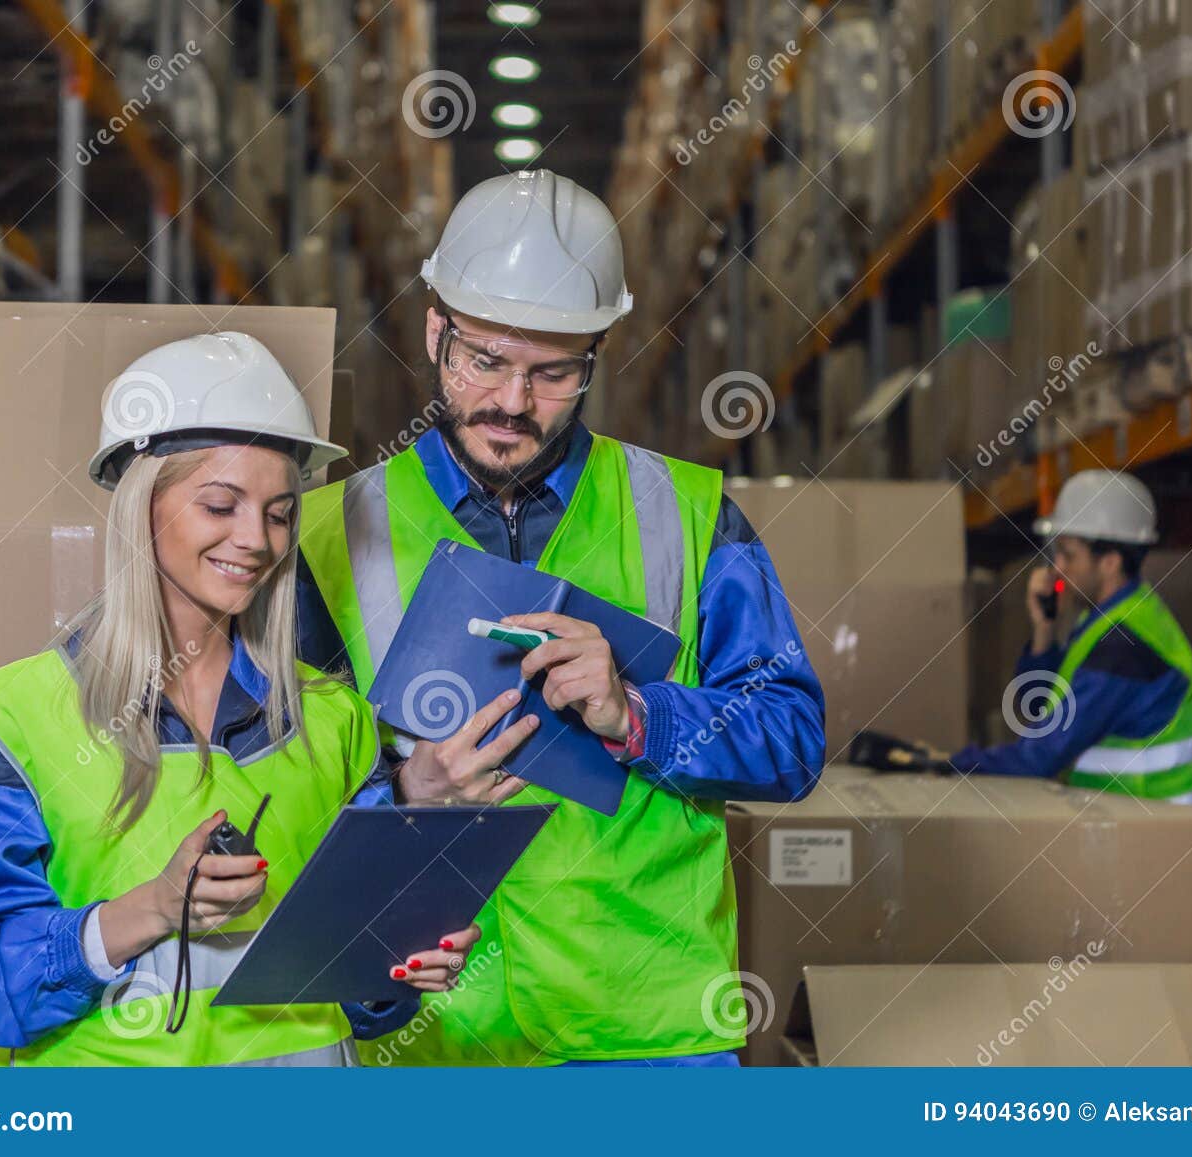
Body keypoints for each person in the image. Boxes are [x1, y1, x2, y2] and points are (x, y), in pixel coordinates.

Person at [296, 169, 827, 1066]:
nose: (511, 402)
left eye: (553, 373)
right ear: (435, 330)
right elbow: (280, 792)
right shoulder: (327, 535)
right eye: (484, 361)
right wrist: (406, 794)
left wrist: (641, 715)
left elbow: (792, 737)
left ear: (597, 354)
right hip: (431, 1043)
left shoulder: (687, 515)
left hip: (648, 1038)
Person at [0, 332, 480, 1066]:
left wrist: (398, 964)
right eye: (220, 504)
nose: (257, 539)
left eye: (278, 512)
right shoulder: (6, 724)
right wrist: (148, 908)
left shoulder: (332, 720)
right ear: (144, 507)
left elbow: (360, 990)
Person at [950, 469, 1192, 807]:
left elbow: (1040, 757)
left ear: (1109, 562)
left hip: (1159, 840)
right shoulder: (1110, 618)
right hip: (1137, 828)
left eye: (1068, 554)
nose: (1056, 568)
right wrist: (1044, 629)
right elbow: (1041, 710)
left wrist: (948, 765)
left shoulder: (1124, 649)